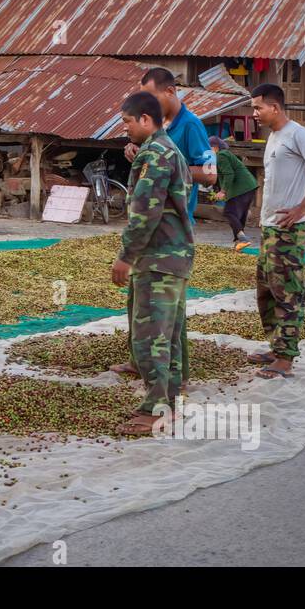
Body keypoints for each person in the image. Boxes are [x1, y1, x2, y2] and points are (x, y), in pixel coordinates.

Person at [108, 91, 194, 436]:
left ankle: (156, 408)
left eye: (128, 121)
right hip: (171, 258)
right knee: (168, 336)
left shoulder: (157, 154)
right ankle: (169, 403)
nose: (124, 128)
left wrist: (126, 256)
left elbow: (145, 211)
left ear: (146, 119)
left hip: (159, 259)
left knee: (150, 338)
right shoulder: (165, 149)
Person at [126, 67, 217, 387]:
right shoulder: (158, 131)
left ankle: (161, 395)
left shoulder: (190, 126)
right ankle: (149, 371)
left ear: (170, 92)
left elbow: (209, 173)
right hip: (156, 239)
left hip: (170, 234)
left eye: (150, 96)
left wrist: (164, 166)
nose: (145, 103)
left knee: (160, 323)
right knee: (144, 310)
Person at [248, 83, 305, 380]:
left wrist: (302, 207)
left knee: (288, 293)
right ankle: (275, 347)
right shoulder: (273, 137)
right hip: (269, 227)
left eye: (258, 107)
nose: (254, 113)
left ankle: (285, 357)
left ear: (275, 107)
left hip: (287, 230)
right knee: (266, 291)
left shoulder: (297, 133)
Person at [210, 135, 258, 251]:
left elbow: (229, 174)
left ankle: (243, 239)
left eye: (209, 148)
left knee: (229, 212)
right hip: (248, 186)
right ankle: (239, 242)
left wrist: (223, 191)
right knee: (239, 215)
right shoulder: (225, 154)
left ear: (215, 147)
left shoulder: (221, 156)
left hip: (242, 187)